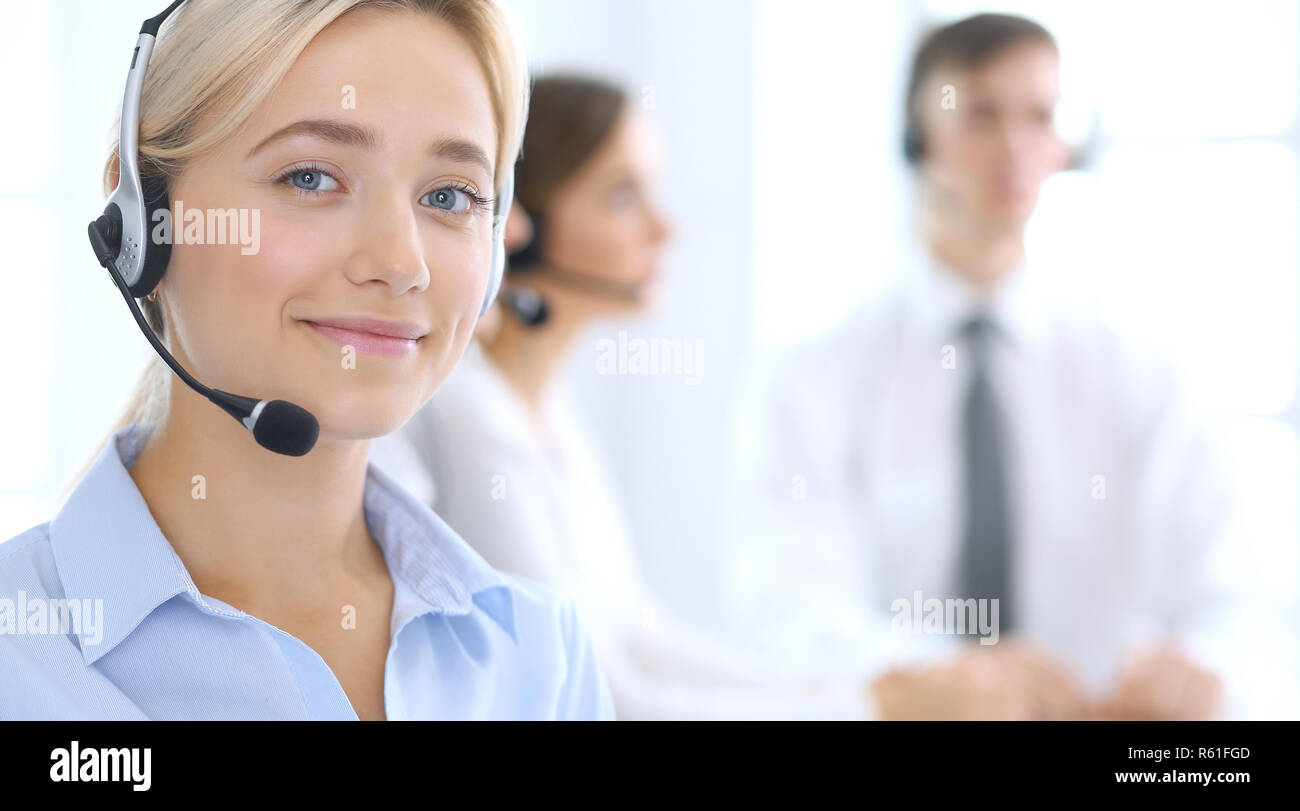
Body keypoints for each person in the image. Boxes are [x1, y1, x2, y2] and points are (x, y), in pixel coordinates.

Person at [0, 0, 614, 721]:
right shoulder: (23, 661)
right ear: (143, 223)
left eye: (449, 195)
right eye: (311, 178)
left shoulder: (540, 661)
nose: (399, 262)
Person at [728, 13, 1298, 720]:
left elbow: (1237, 597)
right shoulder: (817, 373)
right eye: (981, 115)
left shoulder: (1138, 370)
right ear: (916, 133)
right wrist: (940, 678)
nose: (1015, 148)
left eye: (1040, 117)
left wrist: (1205, 670)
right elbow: (786, 606)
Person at [372, 74, 879, 719]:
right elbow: (603, 694)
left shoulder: (549, 408)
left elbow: (638, 634)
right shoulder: (469, 409)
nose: (663, 229)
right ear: (519, 222)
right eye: (622, 198)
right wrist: (867, 710)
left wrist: (855, 695)